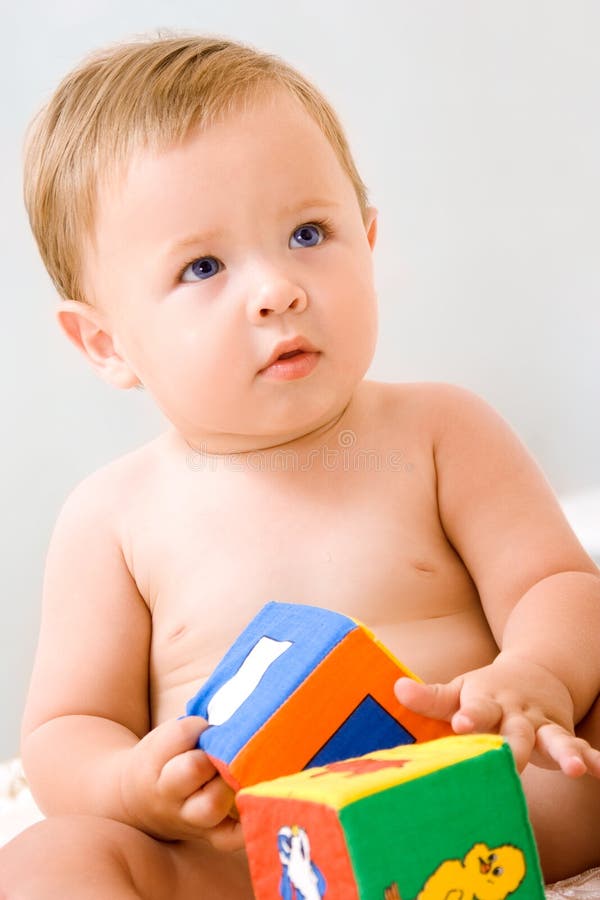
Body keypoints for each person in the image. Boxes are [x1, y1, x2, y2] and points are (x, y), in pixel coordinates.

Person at [1, 32, 599, 899]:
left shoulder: (440, 430)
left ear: (368, 241)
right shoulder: (113, 518)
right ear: (105, 342)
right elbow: (67, 728)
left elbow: (560, 585)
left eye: (308, 232)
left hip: (487, 809)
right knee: (48, 863)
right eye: (202, 266)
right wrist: (134, 785)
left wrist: (534, 675)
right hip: (251, 859)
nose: (277, 289)